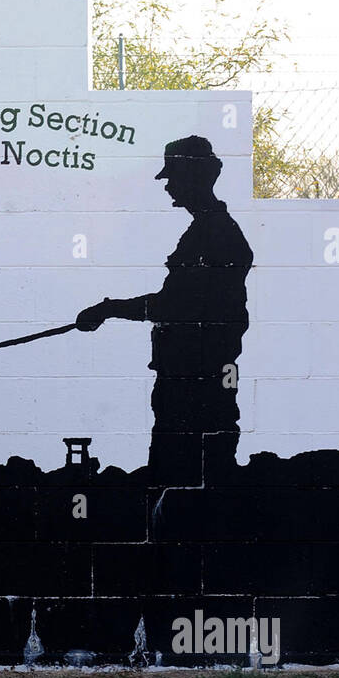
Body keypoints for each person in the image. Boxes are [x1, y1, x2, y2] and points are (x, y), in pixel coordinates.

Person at [76, 136, 253, 486]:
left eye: (174, 176)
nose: (169, 186)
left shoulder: (213, 234)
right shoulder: (208, 231)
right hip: (192, 371)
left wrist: (108, 309)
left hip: (195, 374)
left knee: (183, 469)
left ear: (193, 176)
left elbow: (173, 304)